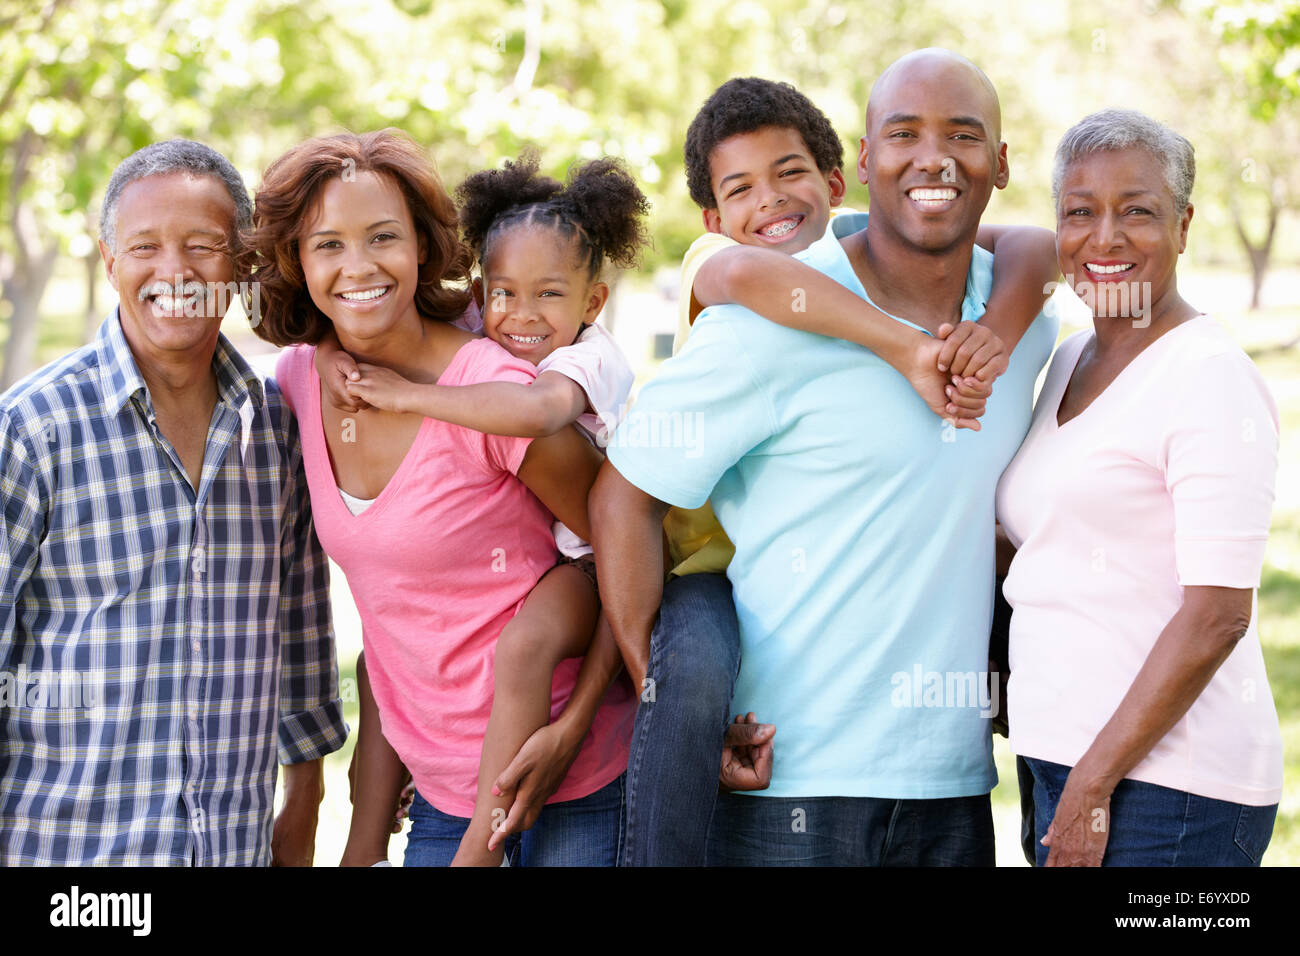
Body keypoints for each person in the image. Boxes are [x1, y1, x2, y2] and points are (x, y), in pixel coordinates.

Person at [591, 51, 1060, 866]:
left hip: (953, 785)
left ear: (1002, 163)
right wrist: (665, 697)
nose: (934, 157)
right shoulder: (768, 315)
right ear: (870, 160)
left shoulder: (1025, 328)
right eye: (905, 133)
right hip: (788, 786)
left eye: (963, 134)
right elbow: (624, 495)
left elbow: (1038, 248)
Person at [248, 129, 636, 867]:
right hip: (442, 800)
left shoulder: (494, 391)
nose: (357, 266)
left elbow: (626, 555)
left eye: (382, 238)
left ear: (422, 248)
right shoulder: (301, 380)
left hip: (580, 792)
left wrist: (571, 726)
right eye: (327, 244)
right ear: (298, 262)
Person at [0, 140, 346, 866]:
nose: (175, 271)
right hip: (66, 858)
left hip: (232, 849)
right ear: (109, 262)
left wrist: (305, 804)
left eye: (203, 246)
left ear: (242, 263)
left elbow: (302, 631)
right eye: (145, 246)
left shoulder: (278, 427)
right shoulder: (32, 429)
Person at [996, 109, 1282, 867]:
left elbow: (1217, 615)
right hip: (1058, 764)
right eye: (1079, 213)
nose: (1105, 238)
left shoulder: (1207, 376)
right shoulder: (1066, 359)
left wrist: (1092, 786)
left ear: (1183, 226)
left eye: (1138, 212)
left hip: (1171, 791)